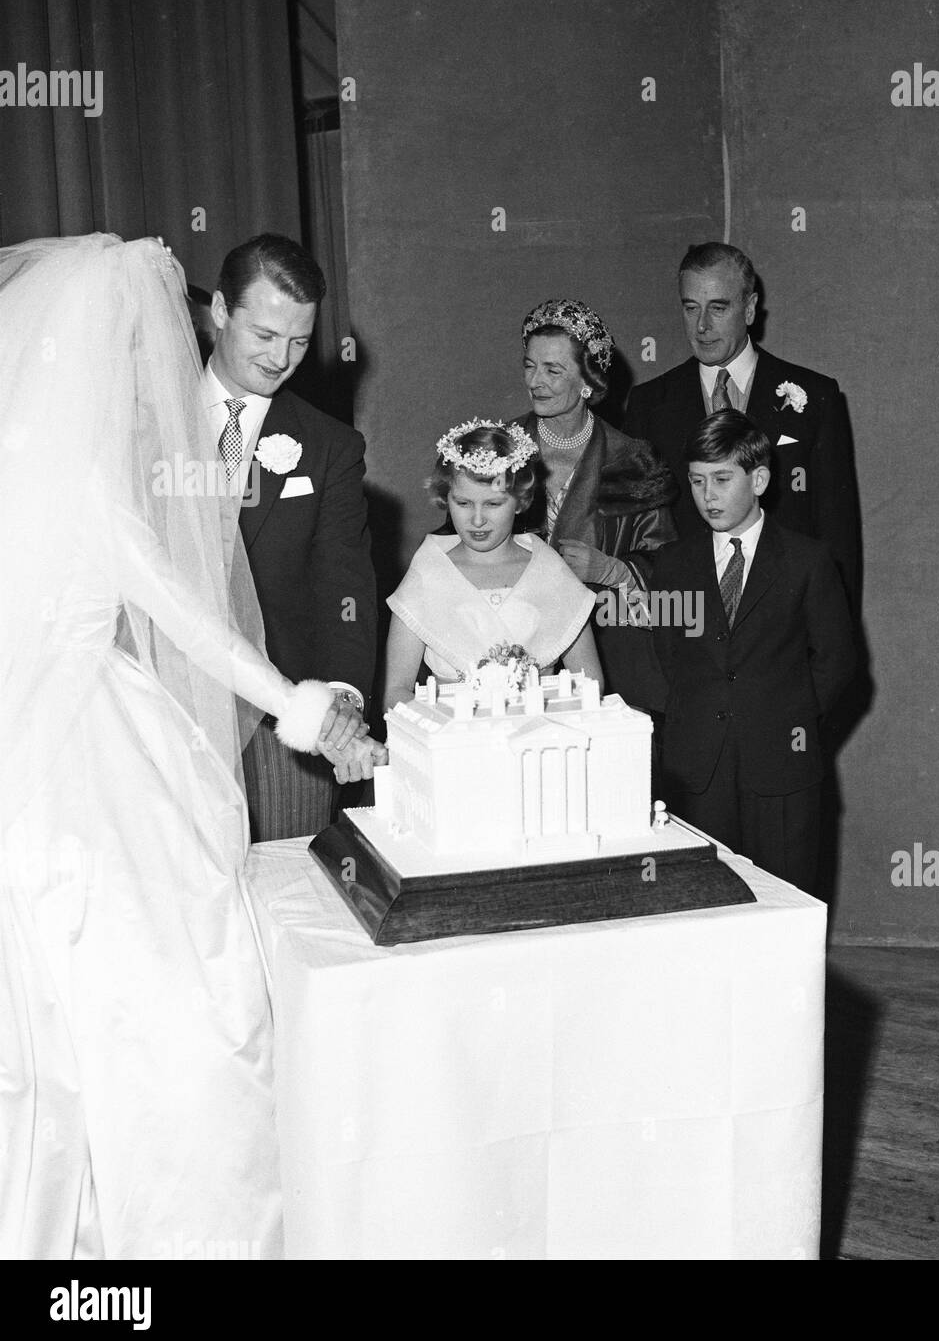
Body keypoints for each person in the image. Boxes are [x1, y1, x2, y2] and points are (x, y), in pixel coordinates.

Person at [0, 233, 385, 1259]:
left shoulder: (27, 462)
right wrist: (298, 708)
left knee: (76, 1021)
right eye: (141, 351)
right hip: (92, 749)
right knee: (175, 1007)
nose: (153, 371)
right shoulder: (89, 481)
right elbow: (188, 616)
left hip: (42, 738)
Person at [203, 233, 378, 840]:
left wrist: (342, 701)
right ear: (222, 312)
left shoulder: (330, 445)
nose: (281, 360)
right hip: (161, 715)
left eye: (300, 342)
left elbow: (344, 586)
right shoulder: (143, 421)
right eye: (266, 336)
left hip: (286, 726)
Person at [650, 410, 856, 893]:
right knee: (705, 903)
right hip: (697, 770)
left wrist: (788, 719)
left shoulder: (808, 560)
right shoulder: (673, 564)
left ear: (759, 478)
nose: (708, 495)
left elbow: (838, 661)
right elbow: (669, 657)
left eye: (722, 479)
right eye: (697, 481)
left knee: (783, 900)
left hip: (782, 767)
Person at [624, 241, 862, 607]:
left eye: (718, 308)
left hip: (785, 620)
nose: (702, 326)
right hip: (688, 619)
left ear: (749, 309)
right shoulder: (648, 405)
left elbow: (837, 533)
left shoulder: (816, 397)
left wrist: (831, 639)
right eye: (691, 308)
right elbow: (637, 535)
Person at [509, 298, 676, 709]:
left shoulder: (631, 458)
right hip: (512, 654)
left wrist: (611, 569)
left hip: (611, 648)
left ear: (588, 380)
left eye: (553, 369)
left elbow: (670, 565)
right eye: (530, 365)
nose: (535, 381)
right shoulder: (502, 445)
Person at [384, 419, 602, 708]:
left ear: (521, 500)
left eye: (493, 504)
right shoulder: (428, 573)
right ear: (445, 498)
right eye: (463, 503)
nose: (476, 520)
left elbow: (591, 686)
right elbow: (395, 693)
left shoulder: (550, 571)